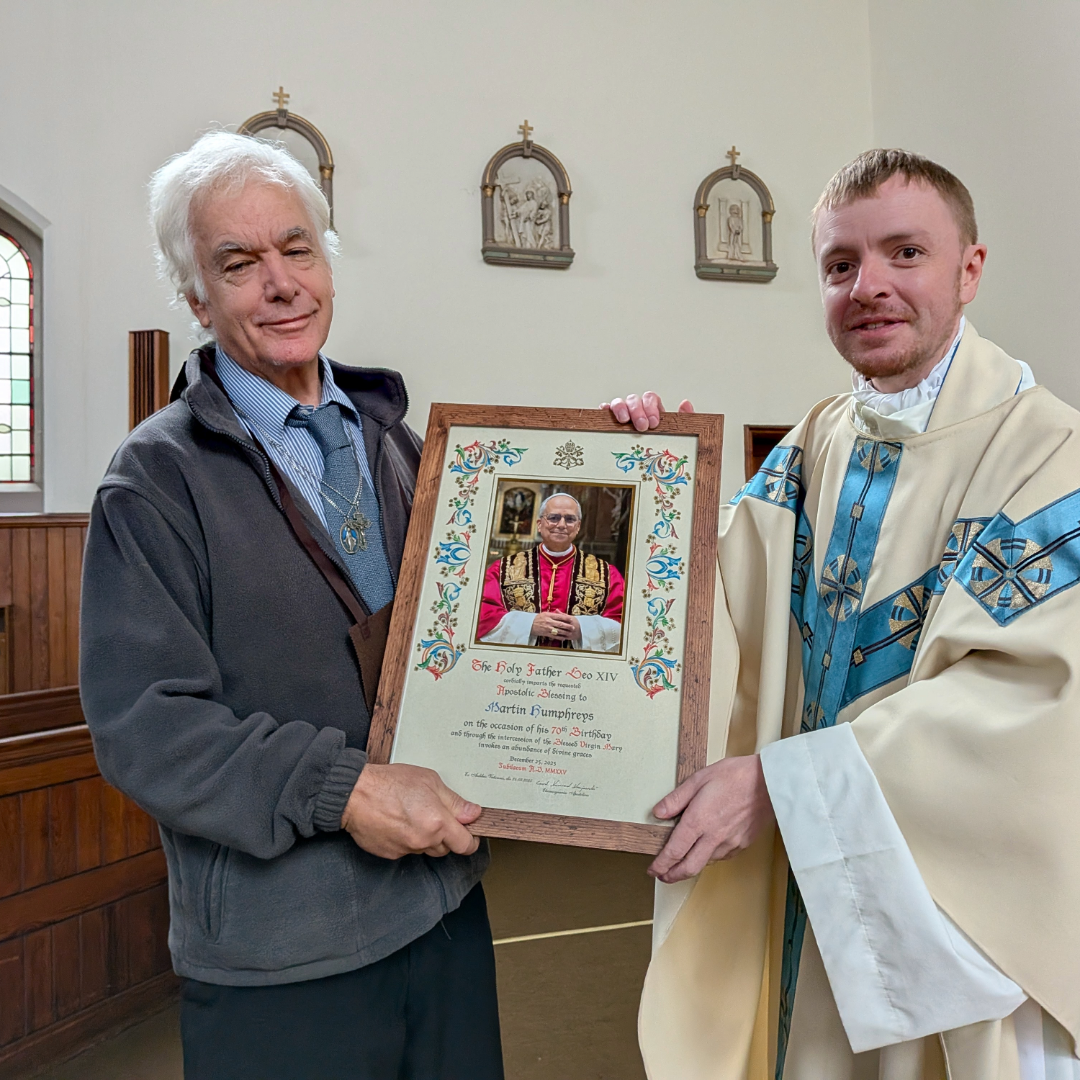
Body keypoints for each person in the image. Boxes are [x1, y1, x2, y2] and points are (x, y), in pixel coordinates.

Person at [605, 150, 1080, 1078]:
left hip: (955, 919)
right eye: (839, 266)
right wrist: (645, 489)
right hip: (799, 892)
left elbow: (1028, 711)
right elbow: (711, 619)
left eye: (905, 253)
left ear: (969, 269)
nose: (869, 287)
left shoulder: (1049, 454)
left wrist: (786, 785)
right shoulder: (820, 438)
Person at [78, 132, 502, 1080]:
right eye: (239, 263)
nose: (280, 283)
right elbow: (144, 727)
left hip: (442, 914)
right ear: (197, 298)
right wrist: (342, 789)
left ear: (327, 261)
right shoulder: (154, 482)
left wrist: (625, 450)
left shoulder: (401, 444)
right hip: (283, 959)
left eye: (296, 248)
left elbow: (479, 637)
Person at [477, 493, 625, 652]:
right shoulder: (502, 569)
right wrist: (529, 624)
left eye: (570, 519)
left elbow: (626, 624)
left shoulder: (607, 574)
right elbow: (480, 615)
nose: (561, 525)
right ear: (539, 524)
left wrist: (583, 628)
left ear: (578, 527)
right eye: (553, 517)